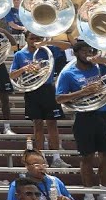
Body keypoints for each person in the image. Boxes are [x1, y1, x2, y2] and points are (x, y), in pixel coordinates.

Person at [55, 40, 106, 200]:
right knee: (86, 156)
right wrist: (84, 91)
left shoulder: (101, 67)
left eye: (91, 50)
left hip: (105, 115)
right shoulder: (68, 73)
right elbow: (59, 98)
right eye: (84, 51)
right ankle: (89, 195)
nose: (88, 54)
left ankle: (104, 195)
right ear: (76, 53)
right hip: (84, 116)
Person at [11, 35, 67, 166]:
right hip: (31, 91)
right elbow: (12, 75)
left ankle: (56, 158)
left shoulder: (48, 50)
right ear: (26, 39)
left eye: (37, 38)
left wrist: (47, 42)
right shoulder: (20, 54)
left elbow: (67, 46)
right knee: (38, 124)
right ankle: (41, 158)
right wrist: (25, 69)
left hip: (48, 88)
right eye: (31, 38)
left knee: (52, 124)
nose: (34, 41)